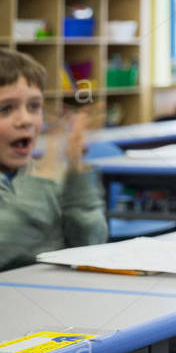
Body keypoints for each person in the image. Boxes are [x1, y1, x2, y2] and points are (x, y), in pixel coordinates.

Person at [0, 49, 105, 271]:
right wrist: (48, 171)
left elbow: (91, 244)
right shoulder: (42, 178)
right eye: (6, 109)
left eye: (34, 106)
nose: (25, 120)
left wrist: (76, 172)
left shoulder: (36, 175)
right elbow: (6, 246)